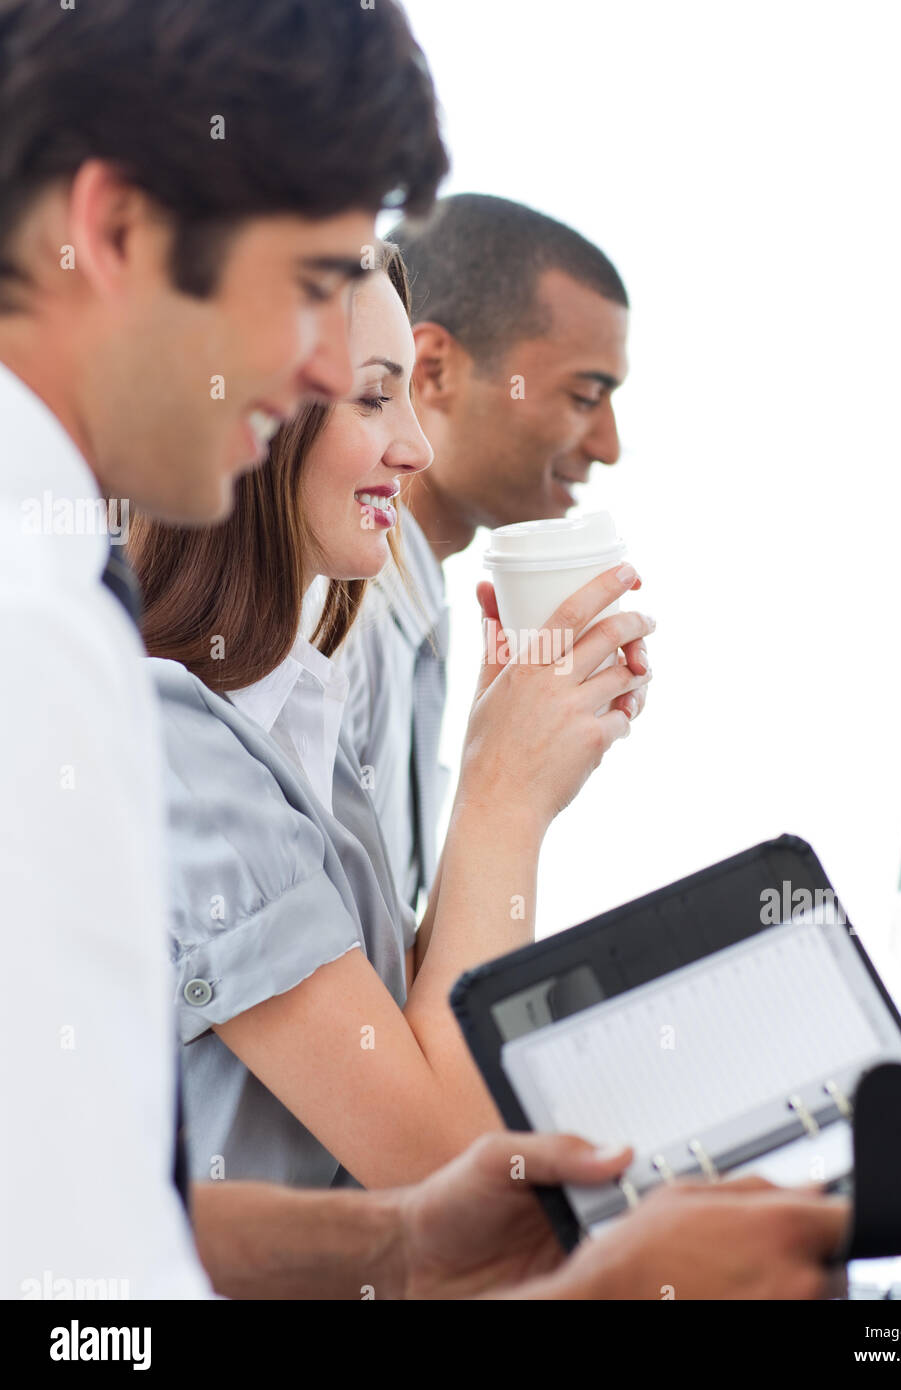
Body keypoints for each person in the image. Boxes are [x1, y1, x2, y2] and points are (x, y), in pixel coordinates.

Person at [0, 0, 848, 1301]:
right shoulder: (42, 639)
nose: (311, 371)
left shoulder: (68, 594)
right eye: (302, 292)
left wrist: (399, 1246)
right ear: (115, 231)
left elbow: (82, 1225)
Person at [130, 241, 653, 1191]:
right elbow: (442, 1173)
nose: (415, 446)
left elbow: (409, 1036)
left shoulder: (294, 717)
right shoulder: (169, 746)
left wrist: (505, 752)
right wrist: (504, 795)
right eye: (374, 397)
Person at [336, 194, 631, 911]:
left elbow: (383, 967)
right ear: (433, 368)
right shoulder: (340, 621)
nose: (608, 447)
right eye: (585, 396)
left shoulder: (418, 601)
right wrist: (508, 790)